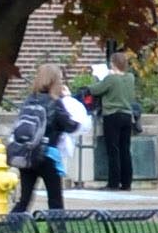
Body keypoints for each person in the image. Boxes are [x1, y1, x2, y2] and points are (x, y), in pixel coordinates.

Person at [7, 64, 84, 212]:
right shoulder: (54, 102)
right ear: (55, 81)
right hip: (47, 156)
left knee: (25, 199)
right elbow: (70, 126)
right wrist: (69, 100)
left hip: (28, 153)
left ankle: (8, 232)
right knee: (55, 200)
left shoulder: (29, 100)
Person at [95, 57, 142, 193]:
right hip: (127, 116)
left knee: (113, 150)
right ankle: (126, 183)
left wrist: (103, 78)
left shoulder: (111, 79)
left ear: (113, 64)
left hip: (112, 115)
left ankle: (113, 183)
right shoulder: (130, 78)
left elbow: (96, 90)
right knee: (125, 149)